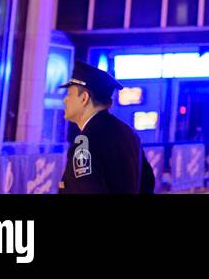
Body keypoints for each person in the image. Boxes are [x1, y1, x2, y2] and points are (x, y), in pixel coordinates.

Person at [59, 60, 155, 194]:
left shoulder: (86, 141)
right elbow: (147, 183)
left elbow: (85, 189)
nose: (65, 100)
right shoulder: (127, 133)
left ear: (84, 98)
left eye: (69, 94)